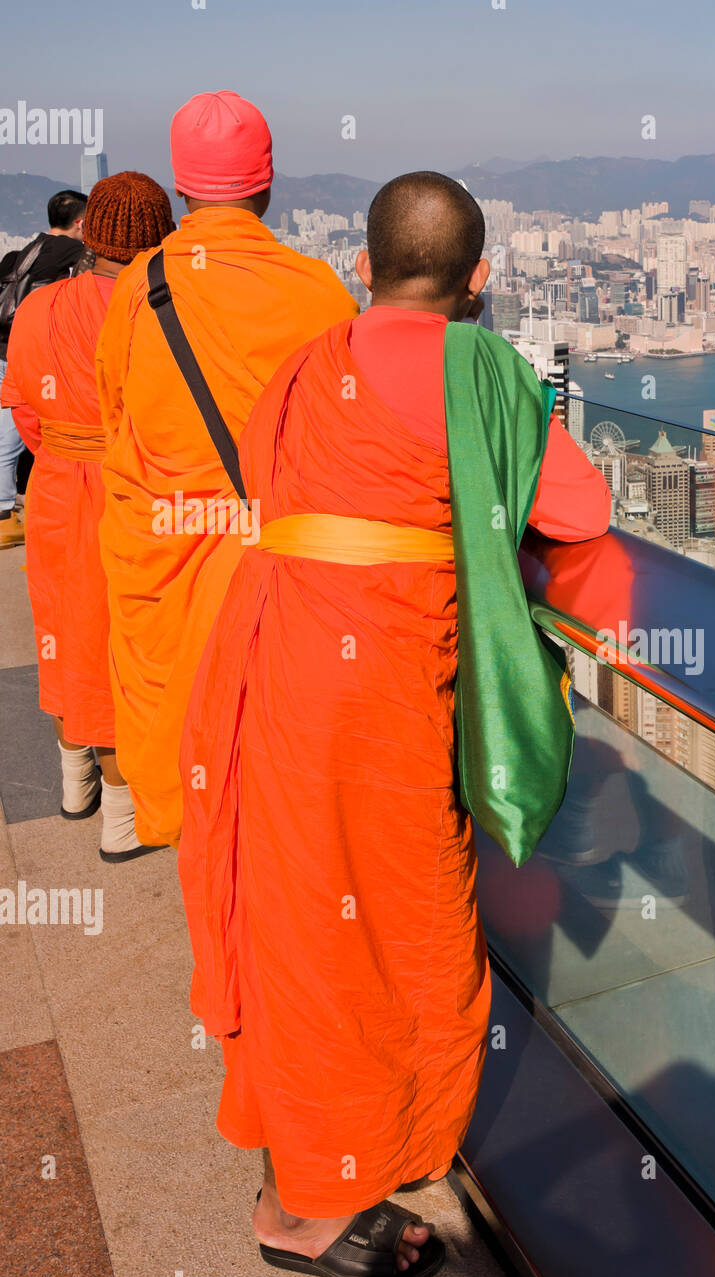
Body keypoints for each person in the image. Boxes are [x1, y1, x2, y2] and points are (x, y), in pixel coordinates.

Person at [178, 171, 611, 1277]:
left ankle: (309, 1173)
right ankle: (308, 1202)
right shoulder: (481, 366)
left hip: (267, 648)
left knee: (288, 916)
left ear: (362, 266)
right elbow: (579, 512)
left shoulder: (310, 360)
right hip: (370, 682)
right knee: (374, 934)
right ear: (478, 280)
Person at [95, 91, 357, 849]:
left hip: (168, 550)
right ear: (268, 190)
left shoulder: (139, 290)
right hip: (281, 553)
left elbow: (118, 420)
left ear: (182, 190)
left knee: (180, 733)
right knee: (278, 754)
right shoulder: (319, 291)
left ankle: (194, 838)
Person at [1, 174, 174, 860]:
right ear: (157, 237)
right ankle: (123, 809)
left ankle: (75, 781)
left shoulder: (41, 305)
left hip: (55, 489)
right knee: (122, 641)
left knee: (64, 629)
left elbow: (23, 407)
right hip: (131, 490)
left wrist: (64, 455)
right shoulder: (155, 308)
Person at [0, 189, 88, 549]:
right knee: (18, 433)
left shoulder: (19, 254)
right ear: (81, 223)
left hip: (4, 348)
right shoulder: (79, 257)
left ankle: (13, 502)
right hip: (40, 354)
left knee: (11, 426)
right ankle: (5, 511)